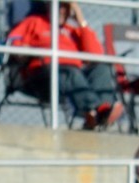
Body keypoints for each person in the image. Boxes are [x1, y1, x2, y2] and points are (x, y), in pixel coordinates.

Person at [7, 1, 123, 130]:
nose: (62, 10)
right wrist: (25, 49)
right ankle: (95, 110)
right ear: (49, 5)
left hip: (75, 77)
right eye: (59, 6)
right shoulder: (33, 22)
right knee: (68, 71)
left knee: (101, 68)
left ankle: (101, 111)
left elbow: (95, 55)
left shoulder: (73, 30)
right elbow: (13, 42)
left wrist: (81, 21)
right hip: (44, 76)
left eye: (66, 7)